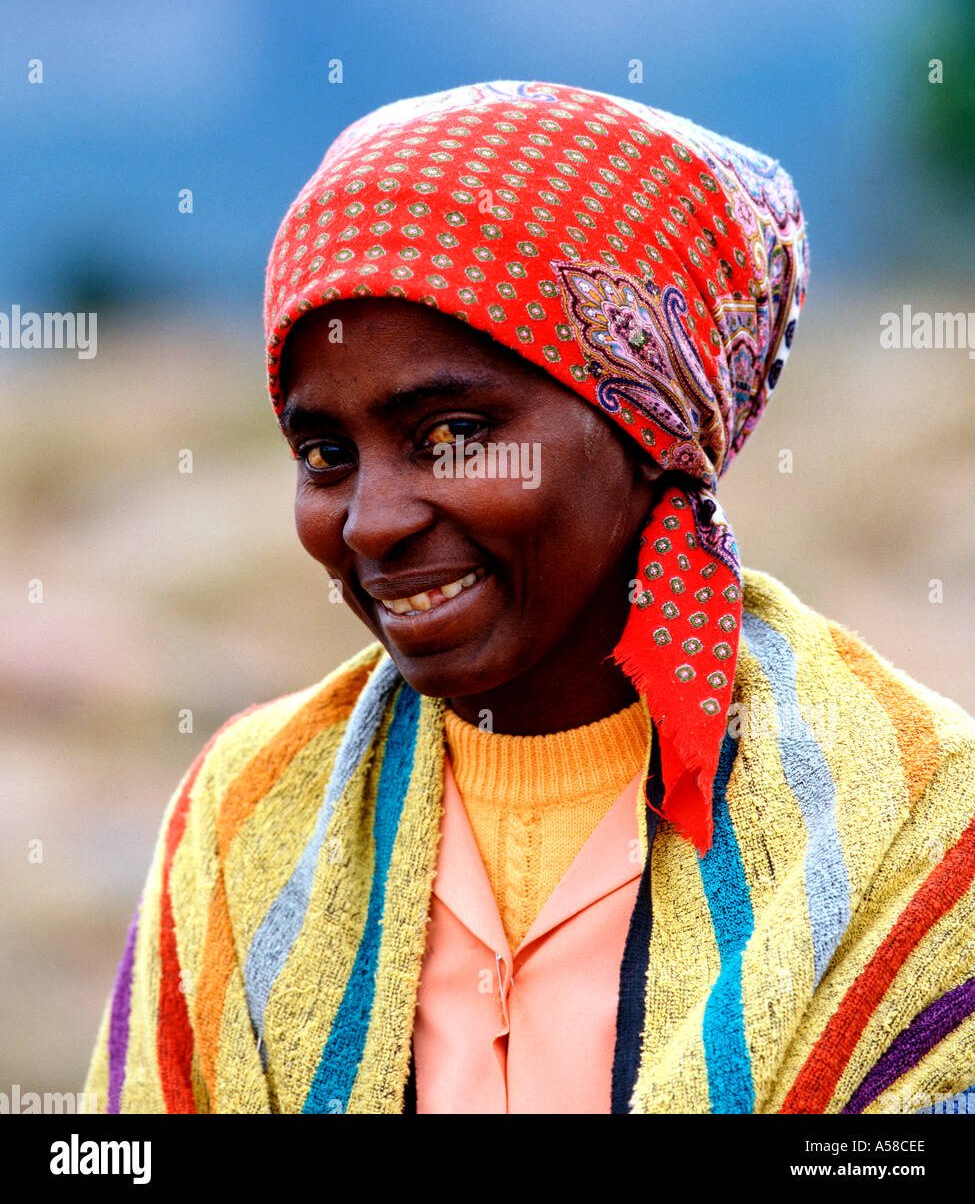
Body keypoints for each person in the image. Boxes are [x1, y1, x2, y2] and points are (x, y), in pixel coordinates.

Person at [83, 80, 975, 1115]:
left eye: (454, 436)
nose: (370, 521)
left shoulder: (919, 832)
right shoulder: (246, 818)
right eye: (326, 452)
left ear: (648, 421)